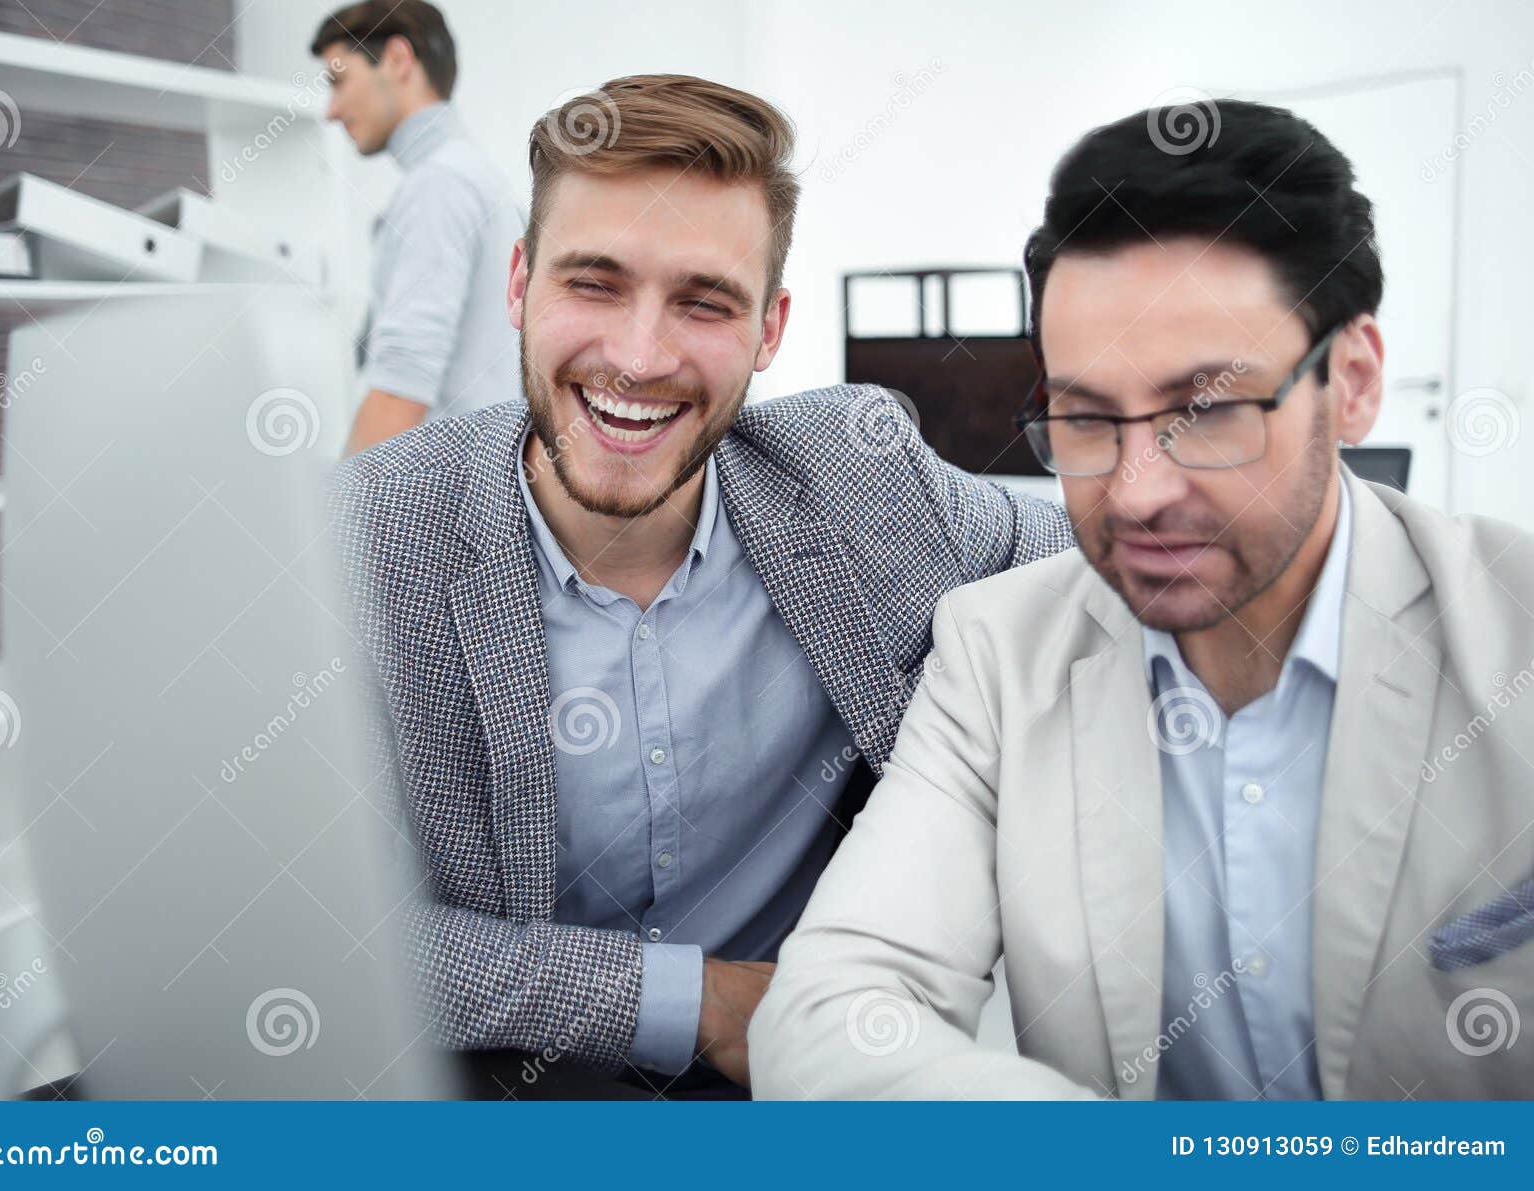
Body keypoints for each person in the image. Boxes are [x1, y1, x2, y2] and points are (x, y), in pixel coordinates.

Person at [749, 99, 1534, 1100]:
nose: (1135, 492)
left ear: (1352, 380)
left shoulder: (1511, 638)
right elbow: (827, 1015)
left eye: (1205, 411)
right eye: (1083, 419)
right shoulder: (996, 656)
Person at [328, 74, 1074, 1098]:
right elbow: (295, 927)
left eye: (704, 302)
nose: (639, 356)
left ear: (769, 329)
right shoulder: (363, 536)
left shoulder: (863, 479)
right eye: (593, 283)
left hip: (805, 1085)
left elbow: (1111, 553)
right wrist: (691, 1002)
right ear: (517, 284)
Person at [311, 0, 524, 454]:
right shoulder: (470, 174)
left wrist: (337, 519)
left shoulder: (440, 184)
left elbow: (402, 382)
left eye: (338, 79)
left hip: (436, 501)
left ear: (398, 60)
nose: (330, 110)